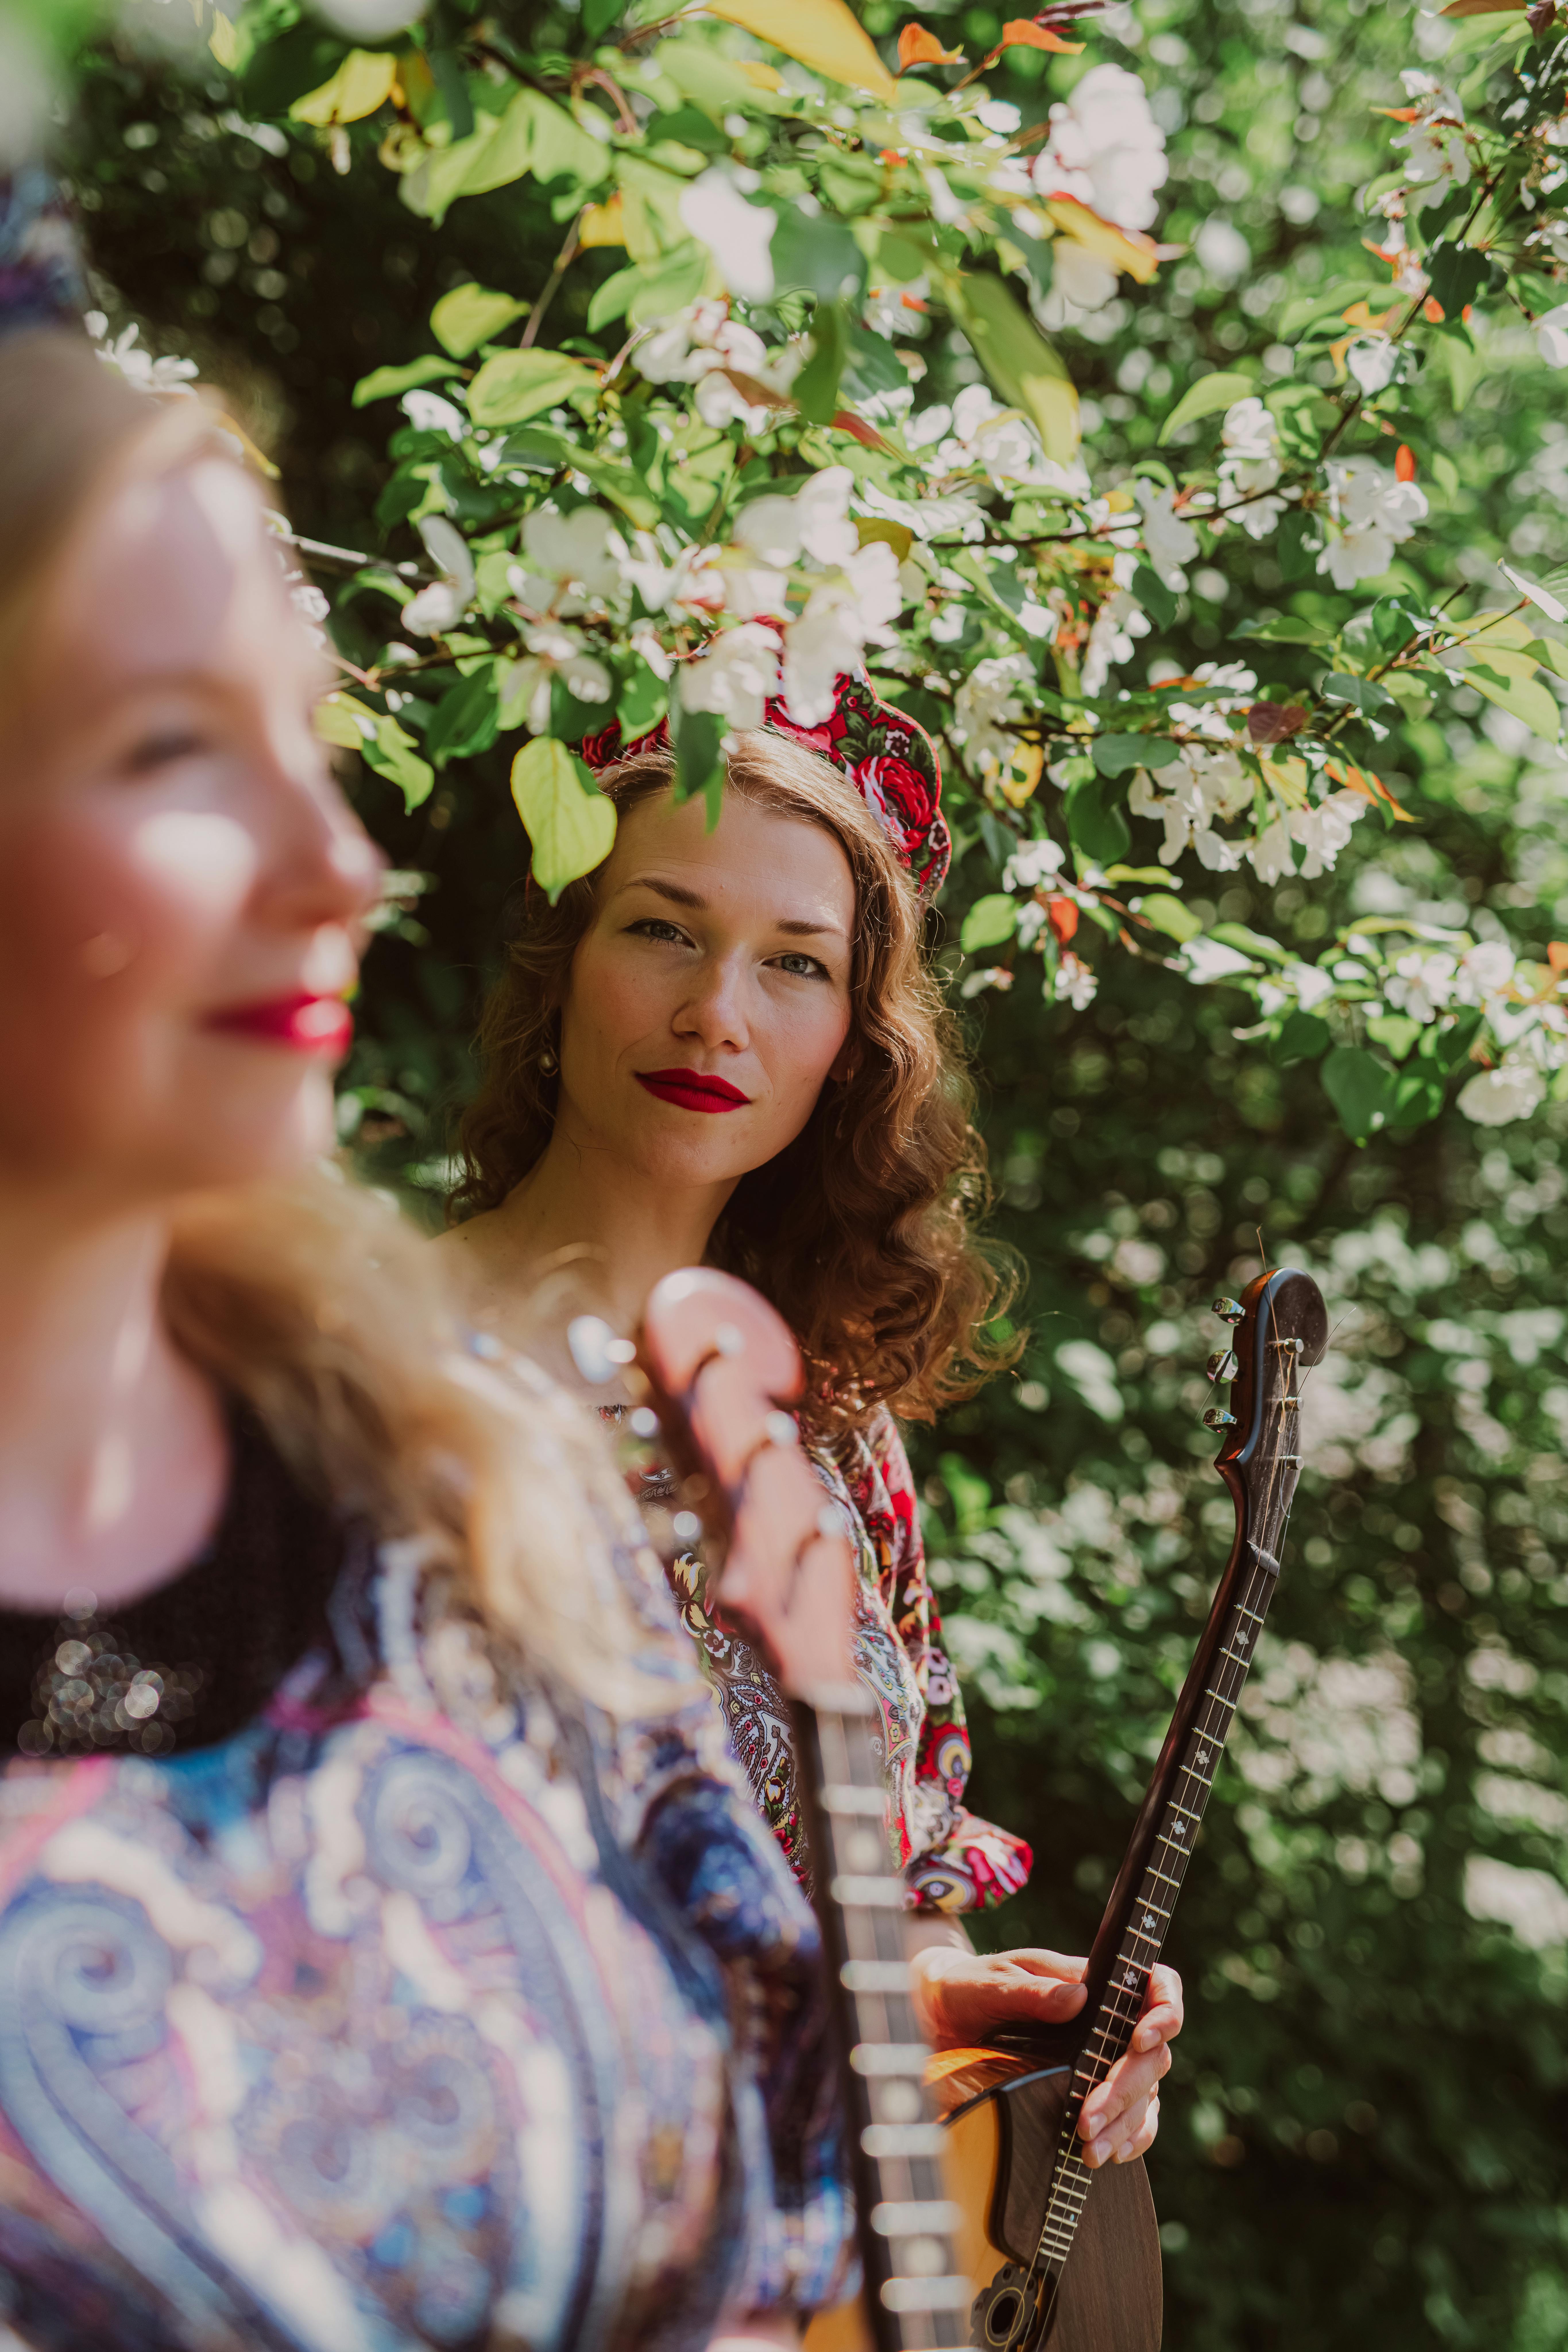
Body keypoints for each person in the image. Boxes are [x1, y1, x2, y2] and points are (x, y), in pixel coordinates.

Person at [0, 322, 849, 2351]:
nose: (339, 865)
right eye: (172, 749)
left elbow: (780, 2214)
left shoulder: (471, 1488)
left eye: (309, 737)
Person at [440, 697, 1181, 2175]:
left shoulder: (830, 1435)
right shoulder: (365, 1374)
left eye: (795, 963)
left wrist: (983, 2029)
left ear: (851, 1039)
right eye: (661, 928)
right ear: (562, 961)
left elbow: (896, 1891)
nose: (720, 1009)